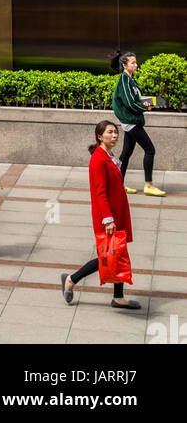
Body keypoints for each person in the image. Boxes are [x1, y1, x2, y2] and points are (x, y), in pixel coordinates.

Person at [61, 120, 141, 310]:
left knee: (117, 253)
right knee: (108, 255)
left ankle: (118, 296)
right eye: (110, 132)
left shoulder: (108, 155)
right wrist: (109, 219)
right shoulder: (98, 159)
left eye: (116, 132)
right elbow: (100, 192)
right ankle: (72, 279)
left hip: (116, 213)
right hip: (108, 216)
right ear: (99, 136)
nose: (114, 135)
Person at [110, 49, 165, 196]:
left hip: (132, 121)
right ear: (125, 65)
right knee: (150, 150)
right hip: (131, 122)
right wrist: (144, 107)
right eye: (133, 62)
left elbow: (135, 100)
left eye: (135, 62)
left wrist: (147, 103)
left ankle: (117, 185)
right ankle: (149, 185)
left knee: (126, 153)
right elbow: (129, 103)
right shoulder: (124, 80)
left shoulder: (130, 80)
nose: (136, 65)